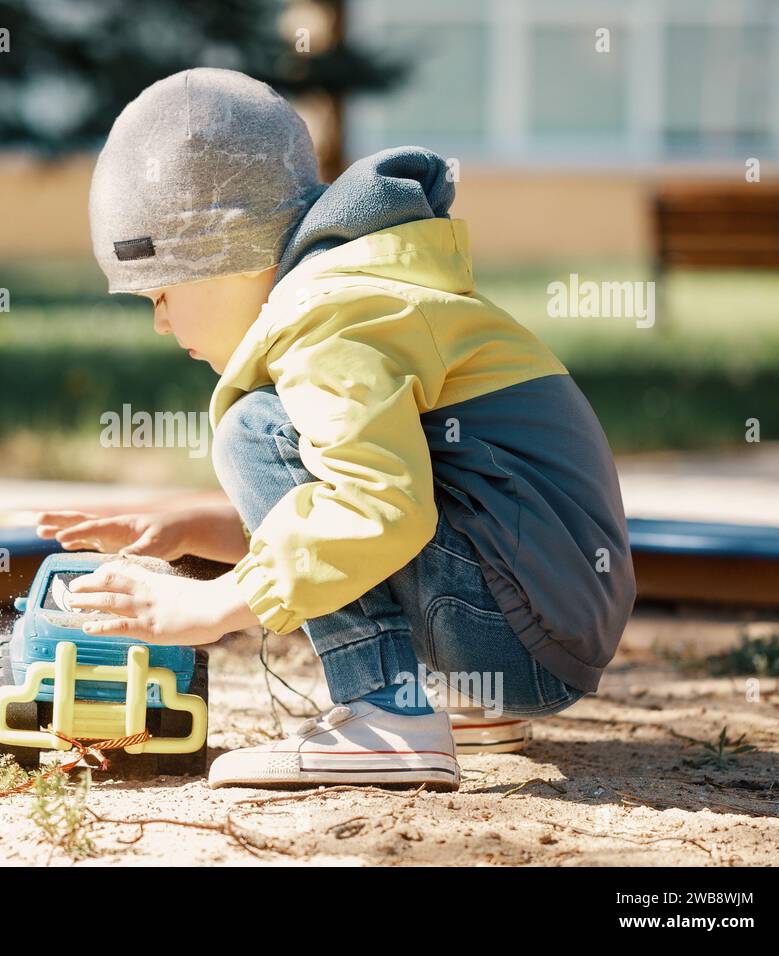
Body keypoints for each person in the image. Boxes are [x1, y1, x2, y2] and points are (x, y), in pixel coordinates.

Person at [38, 68, 635, 790]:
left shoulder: (327, 319)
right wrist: (200, 528)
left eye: (162, 292)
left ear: (229, 254)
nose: (161, 320)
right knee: (286, 445)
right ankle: (456, 702)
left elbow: (379, 508)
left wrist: (214, 606)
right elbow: (382, 487)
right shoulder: (358, 291)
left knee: (253, 429)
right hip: (537, 624)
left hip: (515, 628)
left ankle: (389, 716)